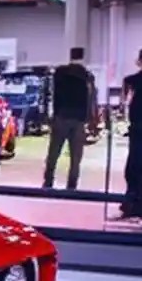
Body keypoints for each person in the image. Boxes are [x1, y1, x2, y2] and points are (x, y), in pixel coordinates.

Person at [43, 47, 95, 190]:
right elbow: (90, 99)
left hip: (61, 116)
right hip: (78, 119)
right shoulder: (87, 75)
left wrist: (51, 114)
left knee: (53, 152)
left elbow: (53, 95)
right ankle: (72, 185)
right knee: (76, 156)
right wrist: (90, 119)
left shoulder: (59, 73)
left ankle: (48, 181)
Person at [122, 50, 142, 219]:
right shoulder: (134, 80)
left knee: (135, 166)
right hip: (138, 127)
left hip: (138, 128)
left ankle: (133, 201)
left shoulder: (133, 81)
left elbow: (127, 84)